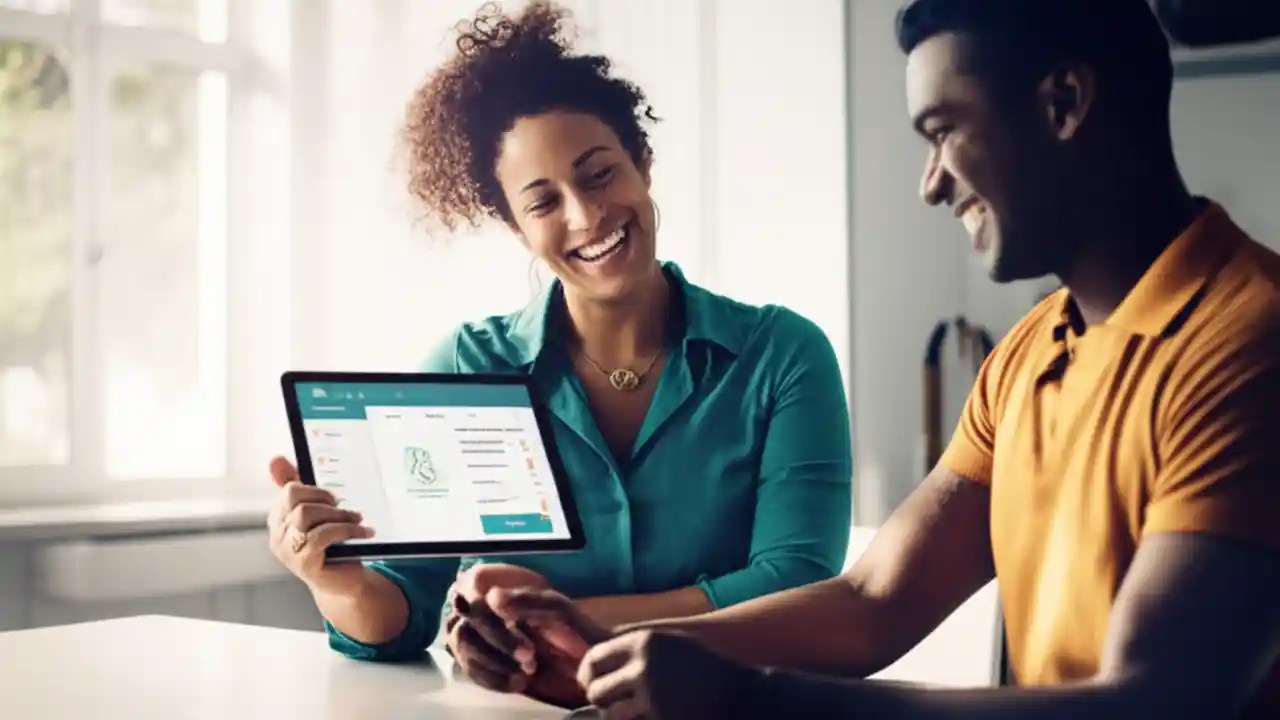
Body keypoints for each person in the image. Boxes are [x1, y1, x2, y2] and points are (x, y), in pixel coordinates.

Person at [490, 0, 1280, 717]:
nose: (930, 185)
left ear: (1063, 104)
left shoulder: (1250, 344)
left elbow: (1158, 705)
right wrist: (600, 640)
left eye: (942, 131)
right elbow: (876, 599)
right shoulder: (1032, 350)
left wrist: (759, 702)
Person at [262, 0, 854, 709]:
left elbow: (796, 584)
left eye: (600, 174)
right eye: (543, 202)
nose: (586, 215)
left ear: (642, 163)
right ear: (516, 226)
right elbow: (402, 618)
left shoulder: (782, 357)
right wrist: (336, 581)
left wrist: (563, 622)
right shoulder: (463, 366)